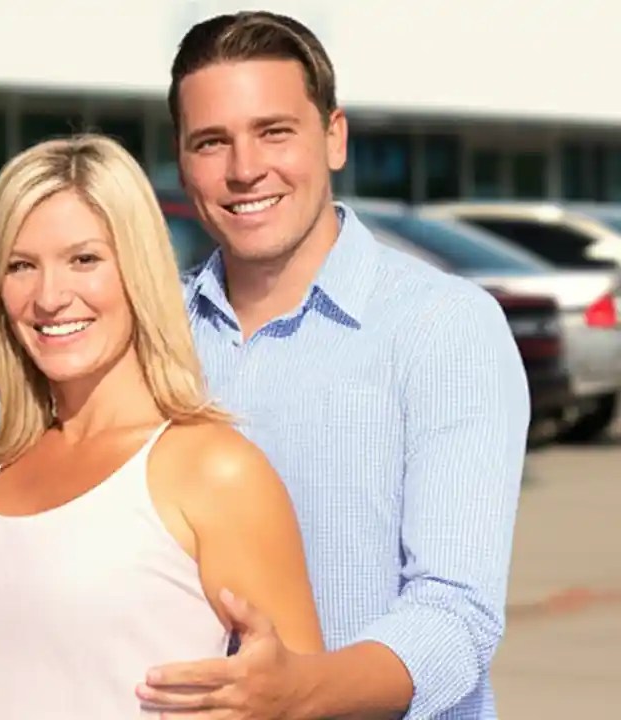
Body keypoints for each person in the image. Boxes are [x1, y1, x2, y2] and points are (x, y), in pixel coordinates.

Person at [137, 11, 529, 719]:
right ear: (181, 158)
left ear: (334, 136)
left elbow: (455, 619)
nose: (245, 168)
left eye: (274, 132)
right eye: (211, 142)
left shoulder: (442, 328)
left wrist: (296, 694)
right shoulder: (151, 331)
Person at [0, 134, 326, 718]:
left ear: (137, 271)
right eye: (20, 266)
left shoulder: (212, 470)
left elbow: (303, 700)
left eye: (84, 260)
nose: (49, 297)